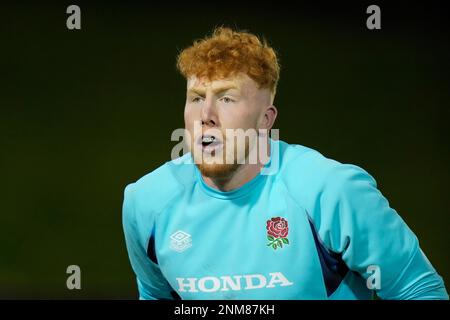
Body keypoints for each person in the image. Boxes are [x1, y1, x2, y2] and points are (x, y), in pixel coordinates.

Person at [122, 27, 448, 299]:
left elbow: (419, 290)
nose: (206, 116)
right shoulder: (147, 204)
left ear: (265, 120)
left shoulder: (329, 192)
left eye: (226, 98)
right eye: (196, 98)